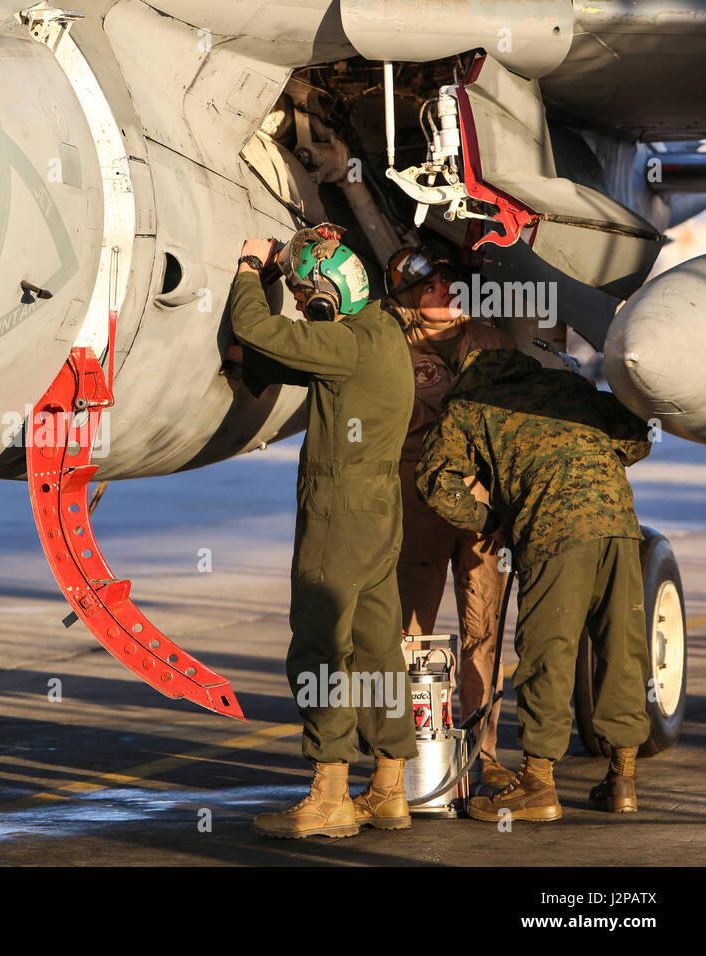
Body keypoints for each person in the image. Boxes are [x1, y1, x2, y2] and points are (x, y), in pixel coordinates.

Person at [228, 224, 417, 839]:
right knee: (377, 646)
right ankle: (389, 789)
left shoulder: (342, 344)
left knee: (319, 646)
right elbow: (312, 365)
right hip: (380, 508)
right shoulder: (383, 332)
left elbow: (257, 328)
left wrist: (248, 272)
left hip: (338, 508)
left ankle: (329, 793)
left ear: (322, 298)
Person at [415, 348, 652, 821]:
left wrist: (488, 518)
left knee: (549, 652)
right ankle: (623, 778)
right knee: (622, 648)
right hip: (620, 525)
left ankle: (538, 785)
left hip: (554, 531)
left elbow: (434, 480)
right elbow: (635, 438)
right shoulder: (568, 389)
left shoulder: (468, 406)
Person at [382, 247, 517, 788]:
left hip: (482, 501)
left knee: (481, 633)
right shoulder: (389, 345)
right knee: (407, 633)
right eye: (433, 284)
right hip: (416, 495)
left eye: (451, 281)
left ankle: (483, 754)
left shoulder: (491, 342)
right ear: (412, 297)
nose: (446, 290)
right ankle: (401, 760)